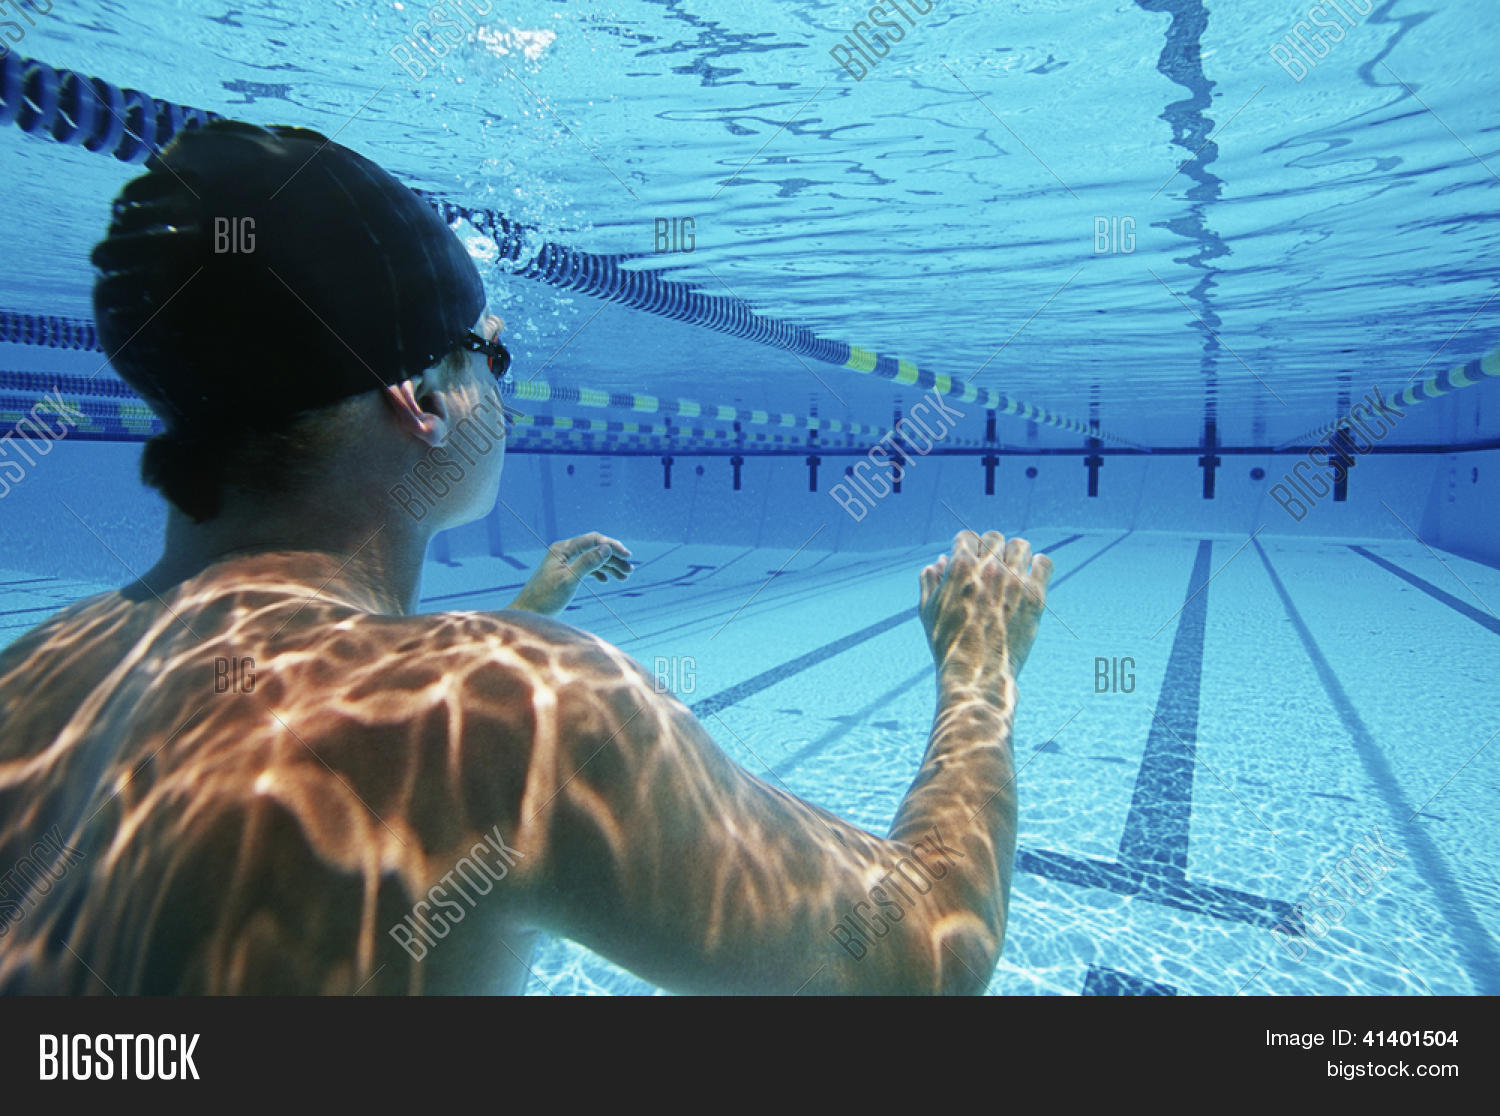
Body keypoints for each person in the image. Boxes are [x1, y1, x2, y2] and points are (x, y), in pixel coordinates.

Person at [0, 121, 1053, 995]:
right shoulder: (531, 712)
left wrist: (530, 606)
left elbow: (322, 701)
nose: (504, 393)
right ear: (418, 396)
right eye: (491, 354)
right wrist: (979, 673)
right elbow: (916, 956)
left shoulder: (35, 676)